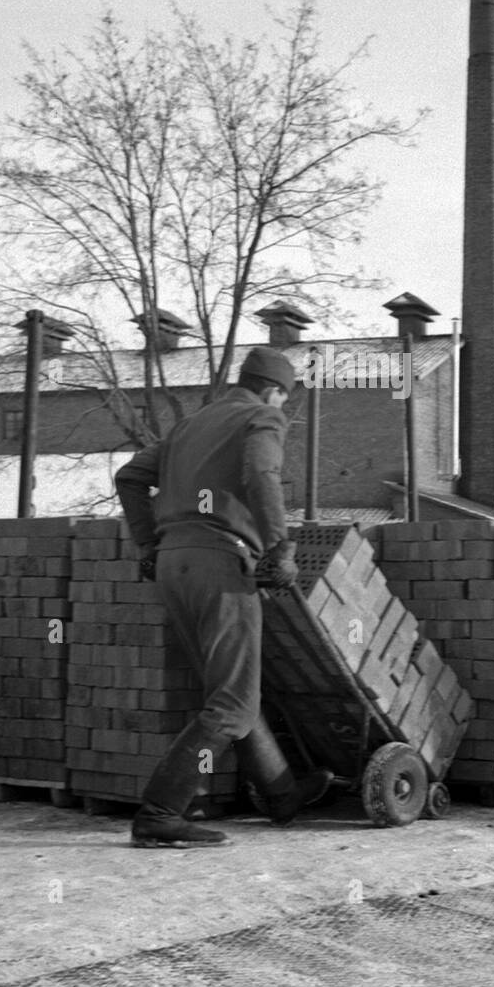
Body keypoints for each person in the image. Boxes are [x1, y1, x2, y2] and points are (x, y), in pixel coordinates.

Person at [114, 344, 333, 848]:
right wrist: (280, 545)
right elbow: (261, 474)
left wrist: (147, 542)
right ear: (274, 390)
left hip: (174, 562)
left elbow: (129, 477)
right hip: (220, 563)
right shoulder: (261, 418)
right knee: (233, 700)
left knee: (232, 691)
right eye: (282, 397)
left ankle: (282, 795)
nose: (280, 406)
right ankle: (160, 813)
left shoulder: (193, 424)